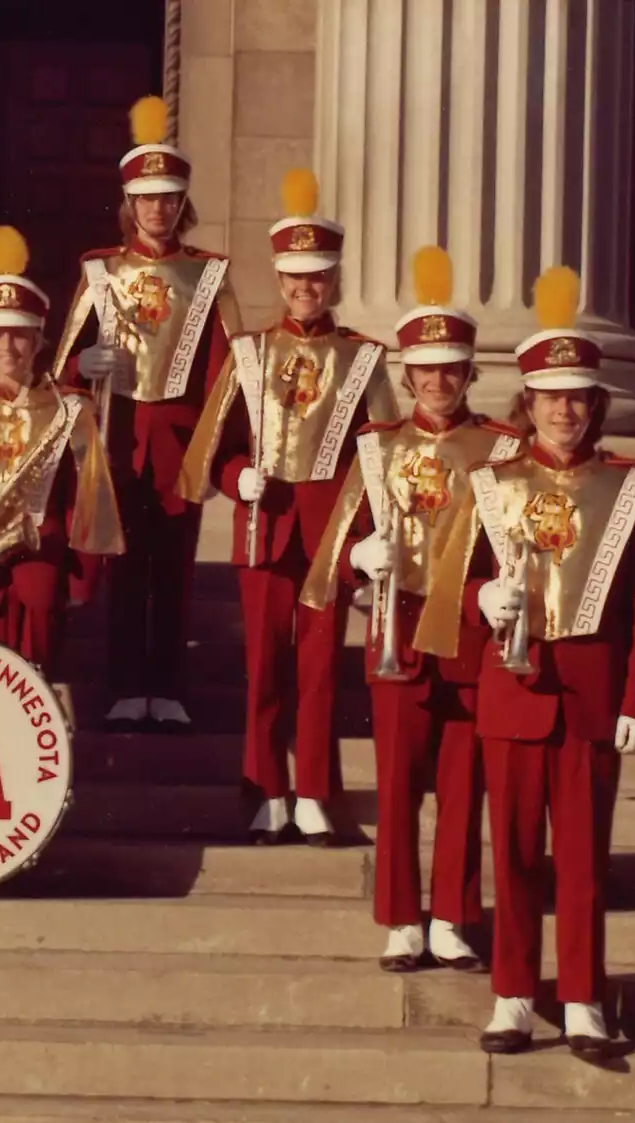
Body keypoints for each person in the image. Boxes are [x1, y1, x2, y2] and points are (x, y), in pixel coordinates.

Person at [418, 267, 635, 1057]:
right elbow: (454, 580)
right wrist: (485, 598)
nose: (562, 408)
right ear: (527, 401)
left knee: (582, 860)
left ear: (595, 404)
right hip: (512, 692)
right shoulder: (488, 483)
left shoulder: (631, 487)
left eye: (577, 395)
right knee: (512, 855)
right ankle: (514, 994)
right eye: (549, 395)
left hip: (591, 699)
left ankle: (583, 995)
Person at [300, 246, 522, 972]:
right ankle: (400, 915)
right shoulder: (377, 446)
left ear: (468, 374)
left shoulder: (499, 446)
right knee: (396, 782)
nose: (436, 383)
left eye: (450, 370)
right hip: (397, 628)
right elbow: (336, 541)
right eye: (424, 371)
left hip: (468, 633)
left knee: (464, 782)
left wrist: (495, 588)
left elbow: (521, 538)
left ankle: (454, 913)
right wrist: (362, 556)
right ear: (407, 375)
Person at [178, 170, 397, 846]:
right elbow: (211, 451)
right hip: (263, 529)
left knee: (322, 669)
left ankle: (315, 793)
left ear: (333, 281)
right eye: (297, 281)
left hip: (332, 537)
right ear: (281, 282)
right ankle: (267, 787)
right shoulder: (248, 355)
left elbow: (386, 456)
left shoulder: (363, 358)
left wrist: (372, 535)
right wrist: (238, 475)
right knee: (267, 667)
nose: (307, 290)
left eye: (319, 279)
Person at [51, 96, 240, 733]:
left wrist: (213, 451)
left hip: (182, 443)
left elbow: (225, 372)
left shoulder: (208, 273)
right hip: (119, 439)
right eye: (146, 198)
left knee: (176, 568)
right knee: (125, 564)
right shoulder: (100, 271)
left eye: (168, 198)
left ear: (182, 204)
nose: (157, 209)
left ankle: (169, 685)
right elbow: (62, 367)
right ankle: (127, 683)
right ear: (129, 203)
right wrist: (88, 368)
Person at [0, 226, 124, 670]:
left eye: (19, 335)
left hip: (40, 575)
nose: (7, 346)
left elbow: (85, 502)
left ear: (38, 341)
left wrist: (82, 583)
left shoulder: (71, 410)